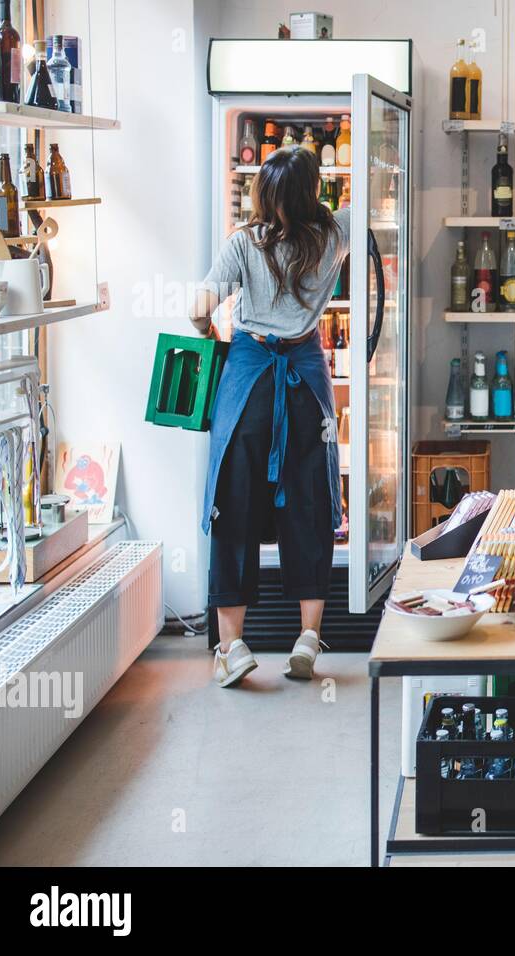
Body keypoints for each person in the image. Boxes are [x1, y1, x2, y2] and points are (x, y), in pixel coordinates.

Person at [189, 146, 349, 687]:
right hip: (307, 380)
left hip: (249, 378)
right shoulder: (334, 236)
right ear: (313, 191)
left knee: (233, 503)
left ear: (263, 192)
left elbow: (197, 308)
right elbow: (380, 211)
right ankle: (308, 637)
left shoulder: (242, 243)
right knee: (308, 500)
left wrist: (214, 335)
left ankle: (231, 647)